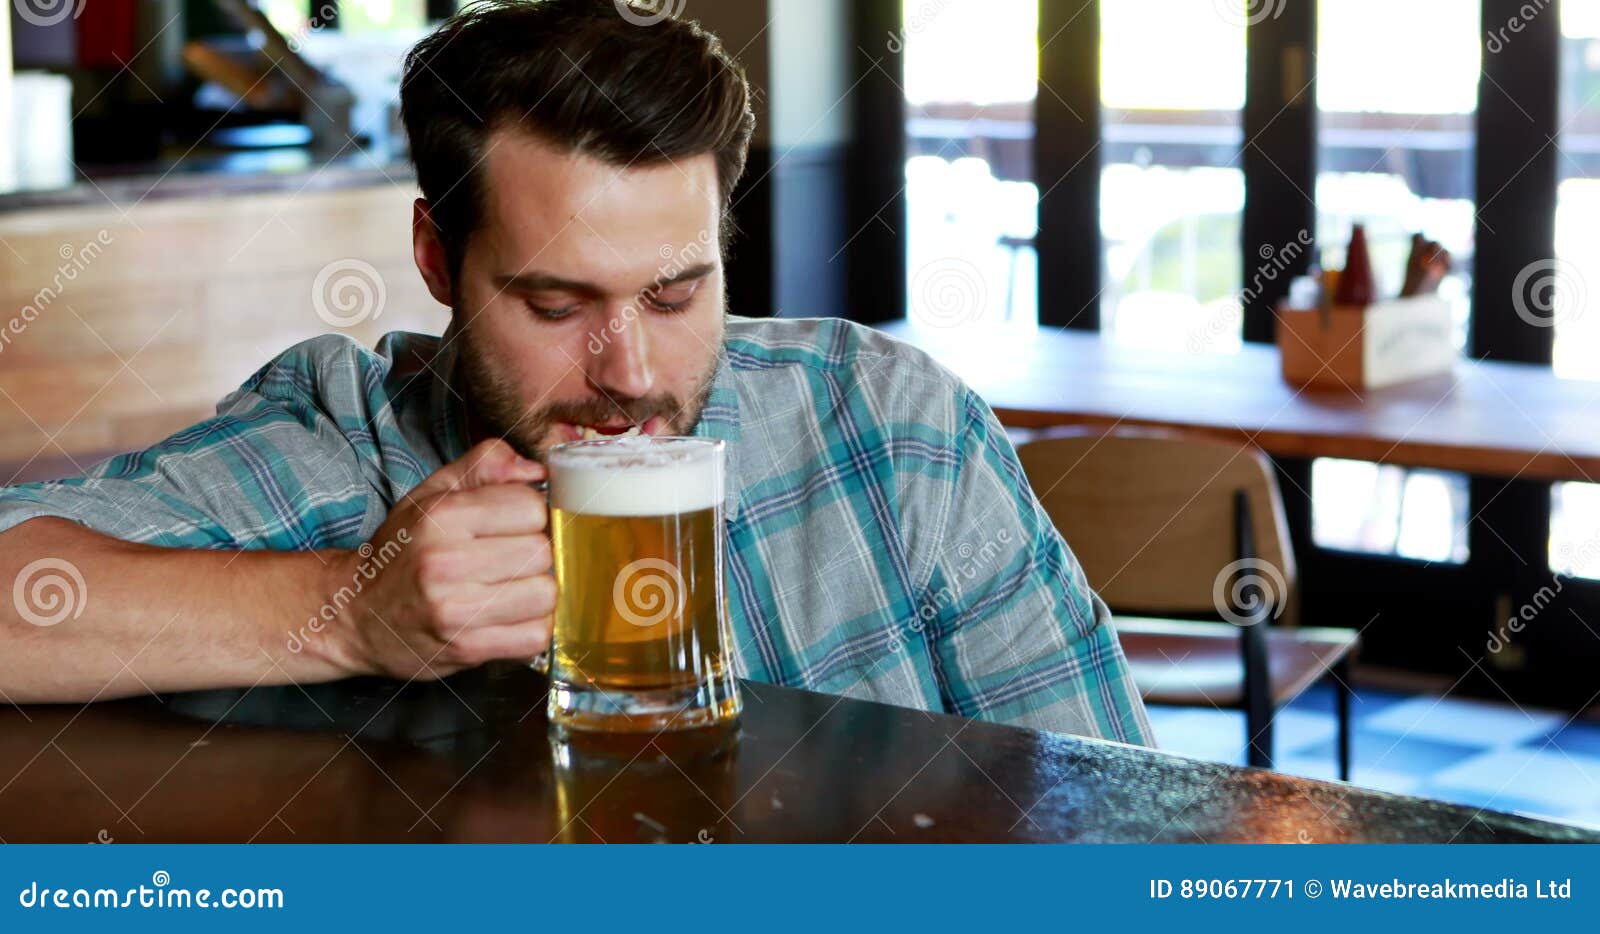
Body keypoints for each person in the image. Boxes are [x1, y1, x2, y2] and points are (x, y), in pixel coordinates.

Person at [0, 0, 1150, 745]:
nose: (629, 371)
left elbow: (1105, 814)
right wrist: (346, 611)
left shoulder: (892, 428)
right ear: (438, 259)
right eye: (555, 304)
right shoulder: (347, 446)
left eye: (674, 292)